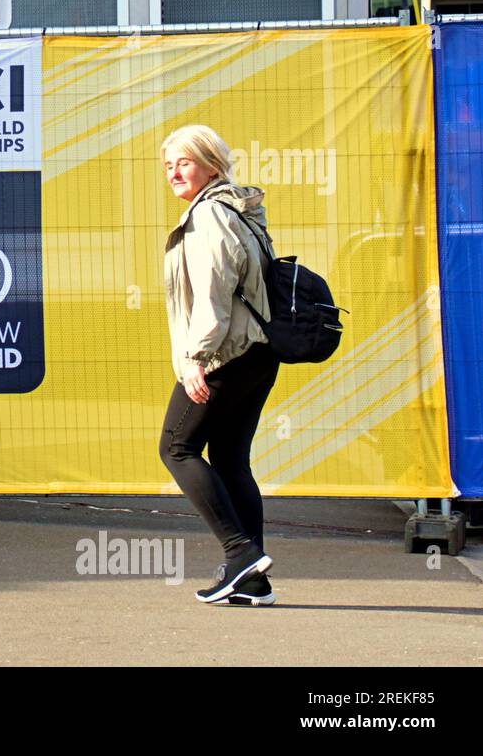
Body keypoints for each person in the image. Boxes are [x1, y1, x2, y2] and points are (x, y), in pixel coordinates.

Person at [158, 124, 281, 606]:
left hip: (225, 353)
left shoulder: (209, 215)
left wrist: (196, 358)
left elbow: (214, 295)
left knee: (176, 447)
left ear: (211, 164)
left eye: (184, 162)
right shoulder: (239, 210)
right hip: (257, 353)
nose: (174, 173)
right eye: (168, 166)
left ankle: (241, 554)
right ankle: (252, 580)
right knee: (230, 459)